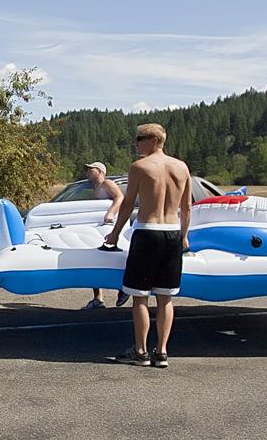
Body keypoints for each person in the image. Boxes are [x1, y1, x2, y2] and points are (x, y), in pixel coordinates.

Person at [103, 124, 192, 369]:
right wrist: (184, 236)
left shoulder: (139, 167)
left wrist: (114, 233)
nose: (136, 143)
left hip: (148, 233)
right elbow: (186, 208)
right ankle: (162, 352)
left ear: (153, 140)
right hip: (172, 233)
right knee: (165, 298)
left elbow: (128, 203)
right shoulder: (181, 167)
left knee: (139, 296)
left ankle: (141, 351)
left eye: (140, 139)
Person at [81, 161, 127, 310]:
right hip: (98, 228)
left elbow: (120, 197)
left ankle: (124, 287)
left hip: (110, 227)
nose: (87, 171)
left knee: (115, 256)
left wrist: (111, 213)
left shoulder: (107, 183)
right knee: (95, 259)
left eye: (91, 169)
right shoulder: (94, 188)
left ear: (100, 171)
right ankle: (97, 298)